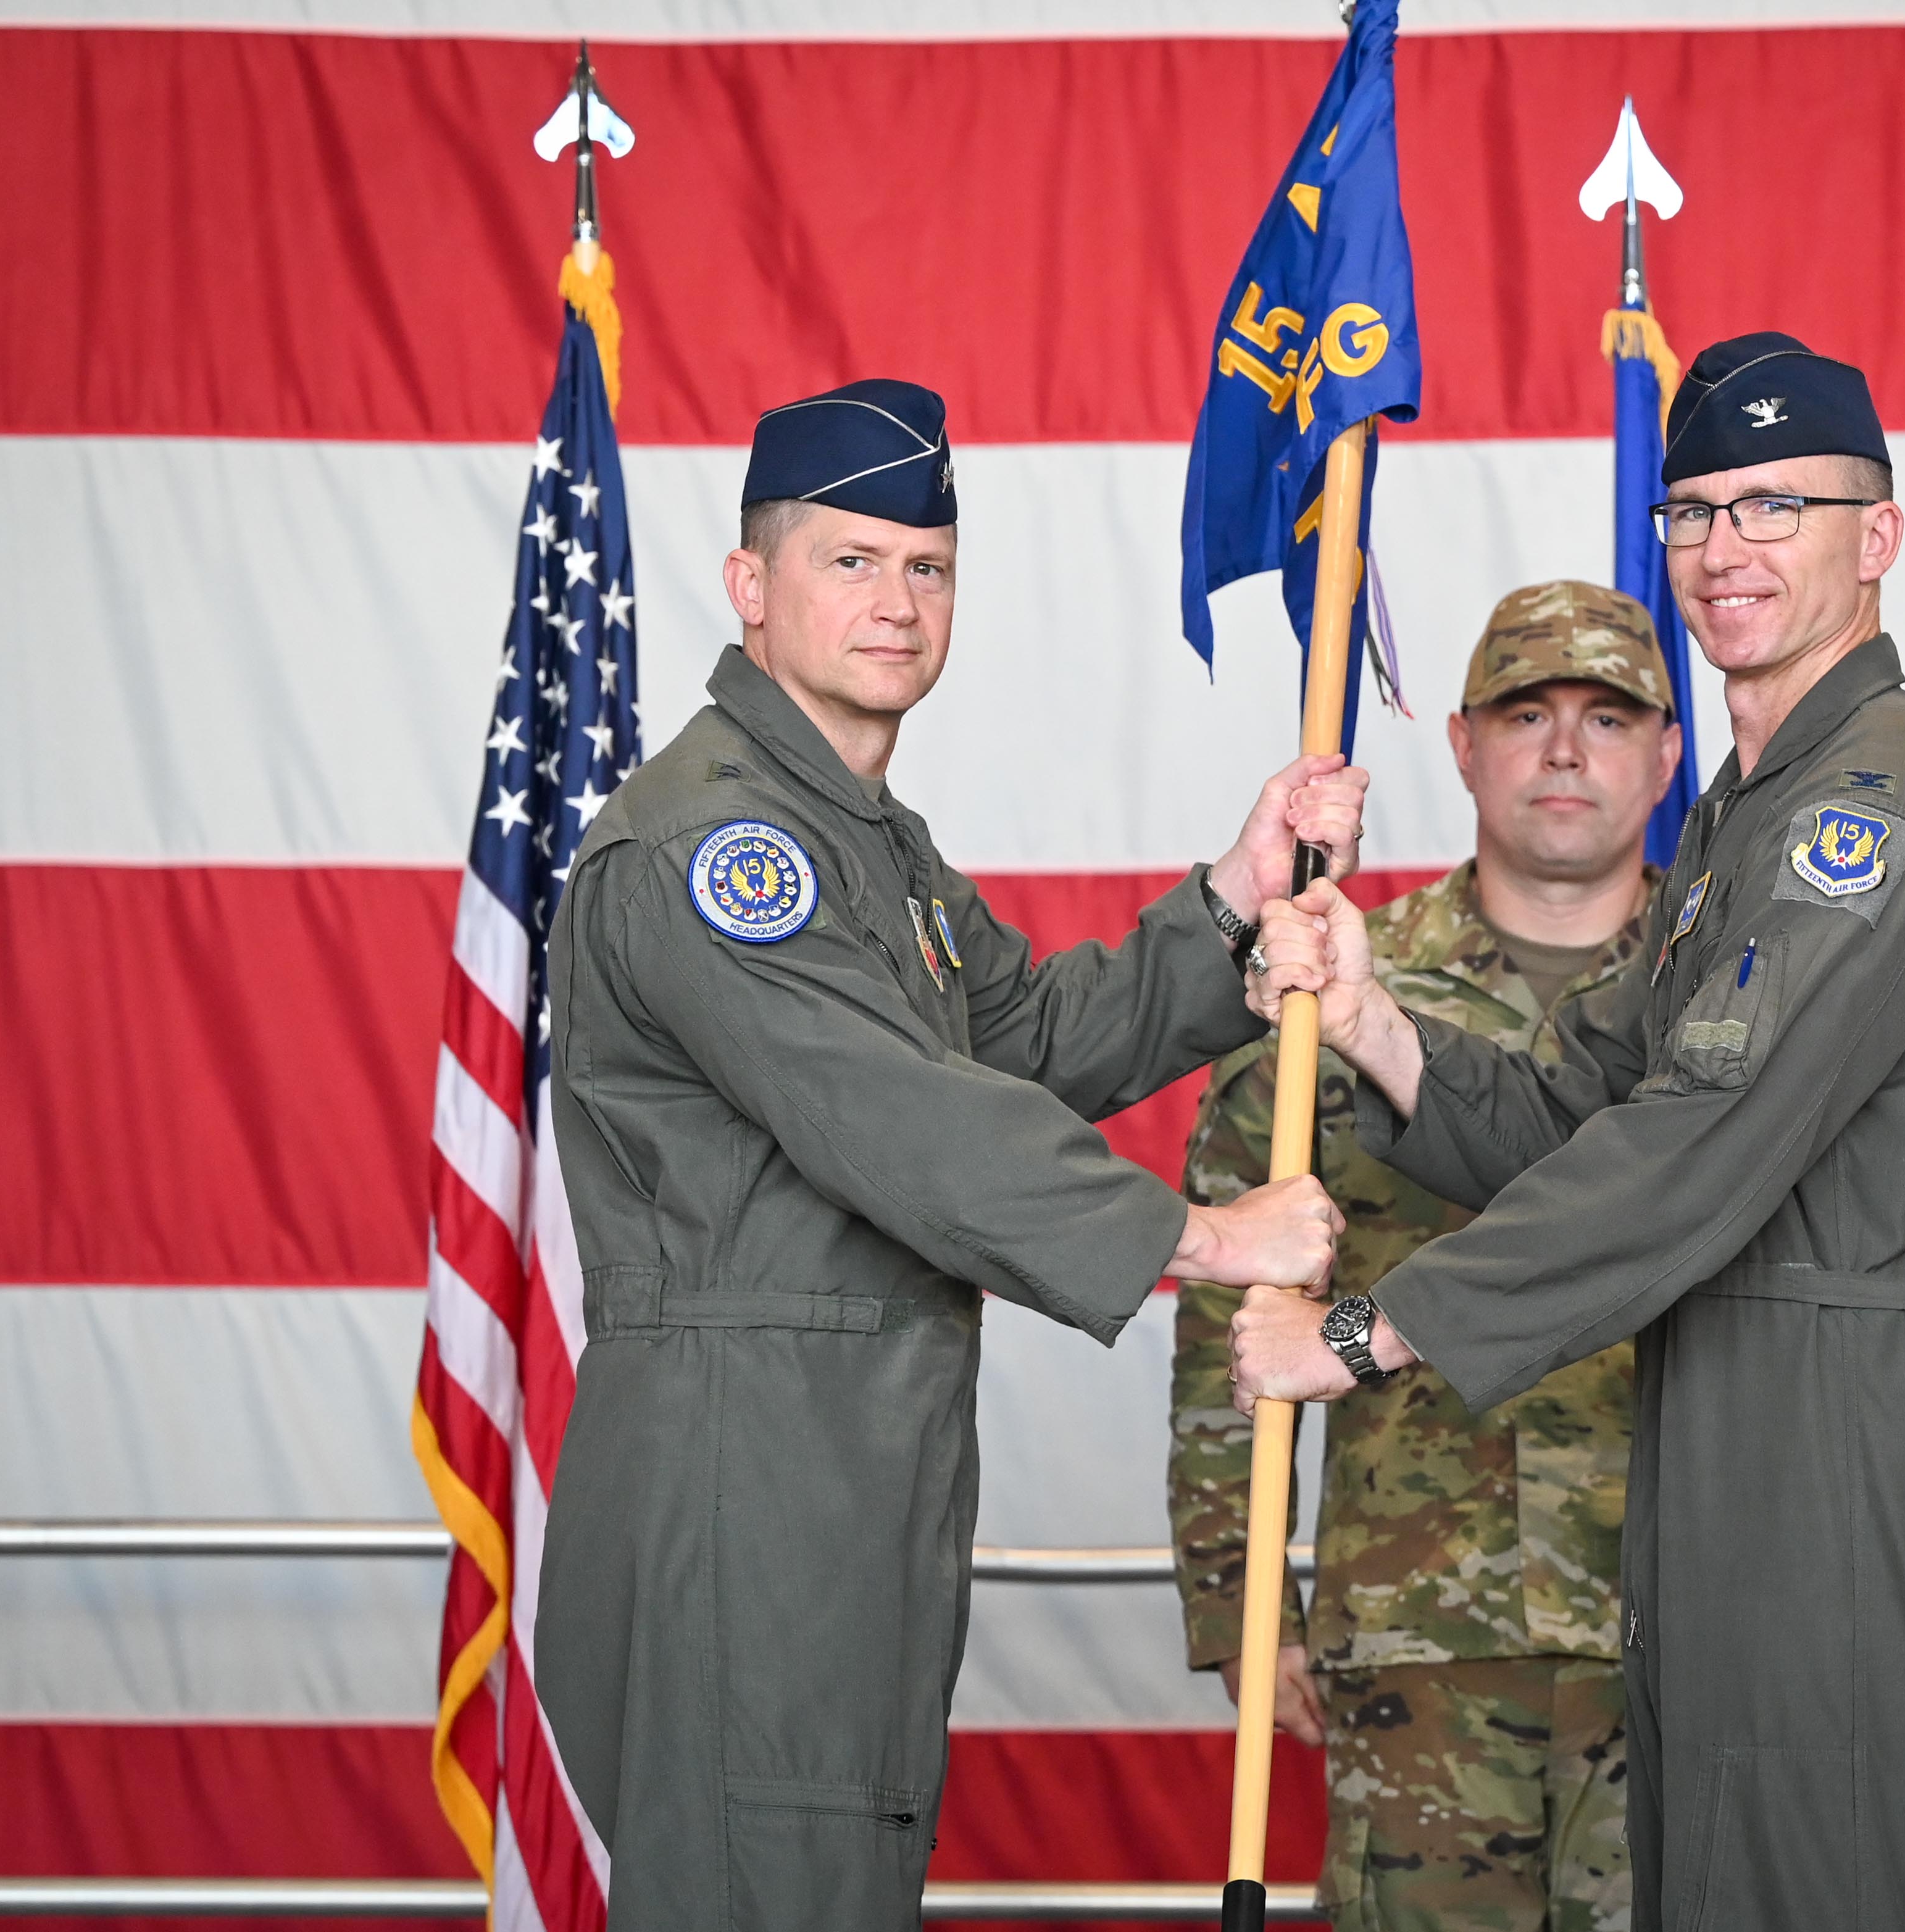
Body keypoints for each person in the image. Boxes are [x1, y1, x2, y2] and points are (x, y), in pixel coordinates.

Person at [1230, 334, 1905, 1931]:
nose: (1722, 551)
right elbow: (1568, 1106)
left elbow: (1694, 1145)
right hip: (1726, 1442)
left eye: (1772, 507)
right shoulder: (1741, 822)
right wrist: (1377, 1016)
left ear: (1871, 539)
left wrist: (1368, 1329)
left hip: (1834, 1455)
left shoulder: (1866, 815)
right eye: (1690, 513)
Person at [534, 378, 1362, 1931]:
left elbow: (1026, 1039)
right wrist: (1206, 1238)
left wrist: (1234, 899)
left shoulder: (867, 839)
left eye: (927, 565)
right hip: (747, 1477)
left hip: (848, 1471)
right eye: (848, 560)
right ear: (749, 585)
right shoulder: (723, 845)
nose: (897, 601)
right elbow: (902, 1118)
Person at [1170, 581, 1683, 1932]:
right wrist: (1240, 1602)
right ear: (1460, 744)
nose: (1565, 750)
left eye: (1607, 715)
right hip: (1417, 1626)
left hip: (1684, 1620)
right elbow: (1231, 1303)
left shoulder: (1732, 995)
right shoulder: (1336, 986)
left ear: (1668, 753)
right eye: (1527, 713)